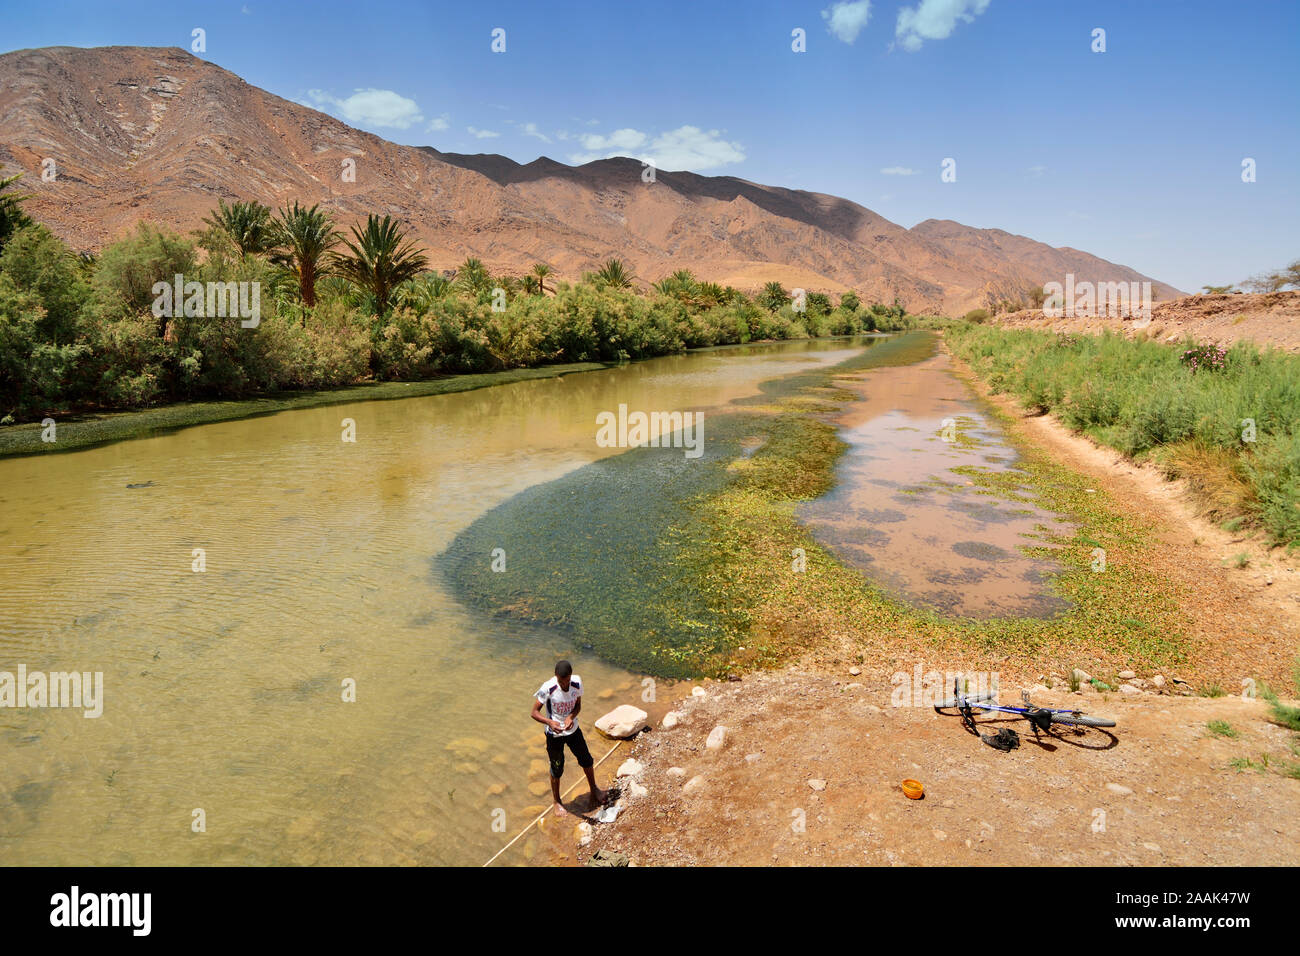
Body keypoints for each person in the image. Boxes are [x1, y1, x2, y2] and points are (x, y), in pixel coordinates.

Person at [531, 660, 606, 816]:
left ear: (571, 676)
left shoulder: (577, 683)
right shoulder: (548, 688)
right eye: (561, 681)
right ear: (556, 677)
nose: (564, 684)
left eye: (566, 680)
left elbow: (578, 705)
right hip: (554, 735)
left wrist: (571, 717)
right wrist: (549, 722)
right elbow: (534, 713)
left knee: (587, 760)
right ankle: (557, 801)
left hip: (573, 731)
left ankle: (594, 789)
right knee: (557, 768)